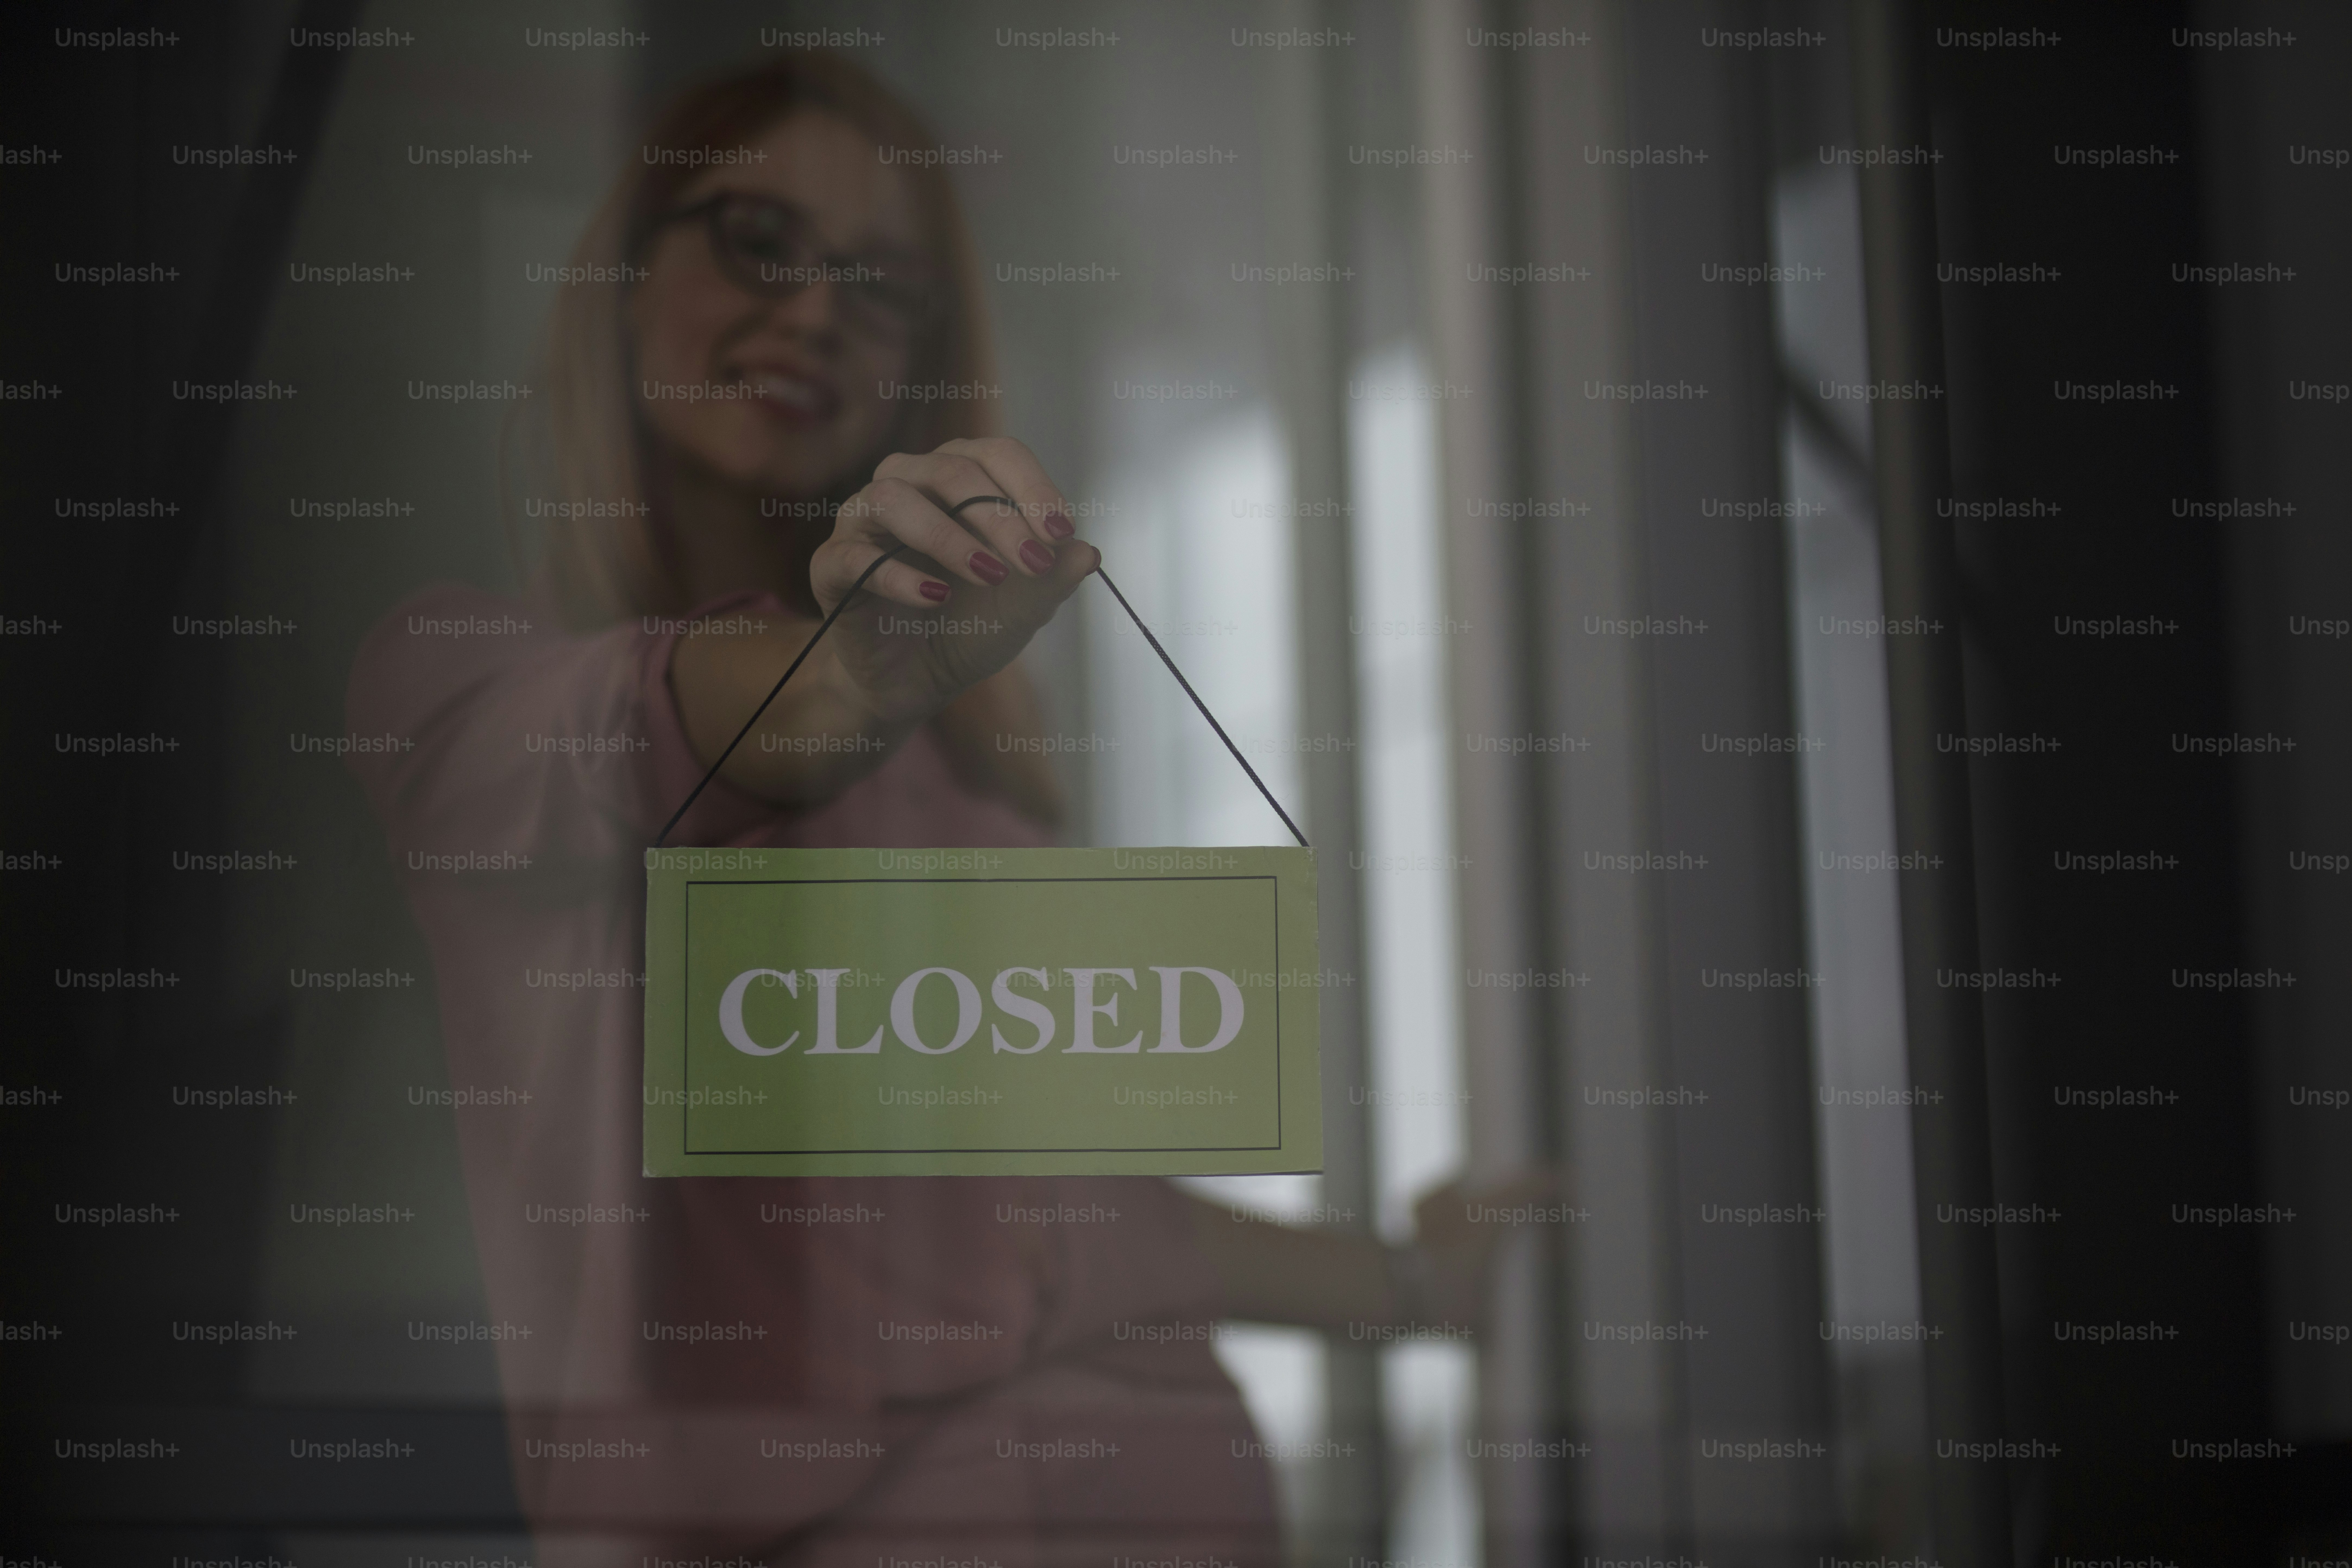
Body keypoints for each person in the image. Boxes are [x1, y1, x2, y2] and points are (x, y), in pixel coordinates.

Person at [348, 51, 1537, 1568]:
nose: (817, 308)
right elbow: (664, 730)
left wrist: (1411, 1286)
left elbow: (1060, 1218)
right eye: (756, 240)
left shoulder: (947, 778)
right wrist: (849, 686)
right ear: (624, 279)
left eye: (882, 281)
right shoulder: (454, 683)